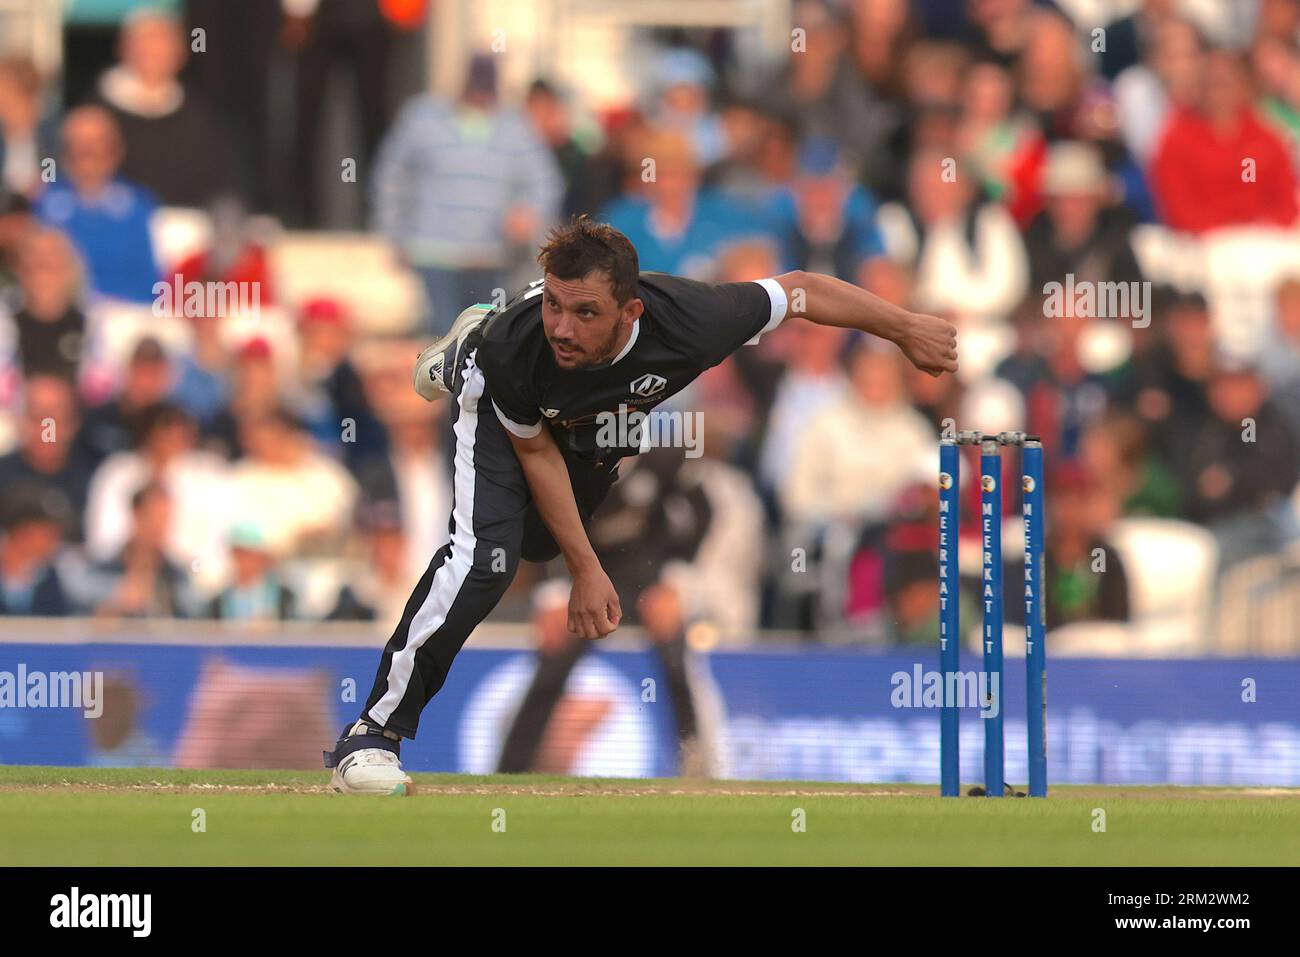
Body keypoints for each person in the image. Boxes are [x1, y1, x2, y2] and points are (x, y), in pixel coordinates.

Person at [322, 215, 958, 794]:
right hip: (506, 406)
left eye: (586, 313)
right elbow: (535, 454)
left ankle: (467, 343)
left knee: (535, 541)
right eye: (554, 306)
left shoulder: (695, 317)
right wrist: (586, 569)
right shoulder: (524, 343)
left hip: (594, 428)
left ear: (631, 311)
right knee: (485, 559)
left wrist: (904, 327)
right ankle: (372, 738)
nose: (564, 328)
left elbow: (801, 291)